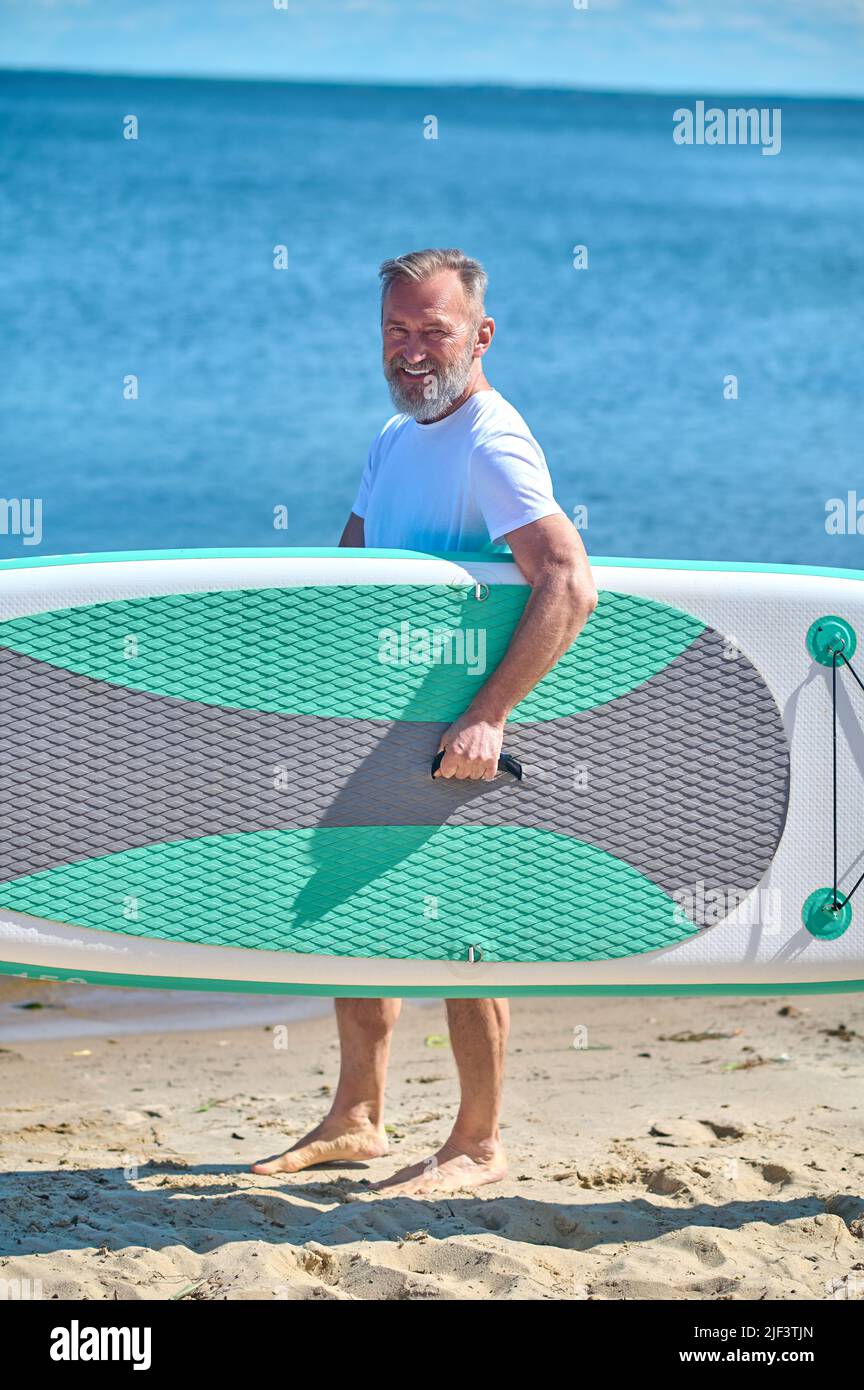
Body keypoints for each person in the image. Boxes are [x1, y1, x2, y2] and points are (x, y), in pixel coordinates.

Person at [253, 248, 597, 1195]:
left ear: (480, 336)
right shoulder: (394, 439)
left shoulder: (493, 440)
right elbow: (352, 571)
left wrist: (488, 716)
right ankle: (357, 1118)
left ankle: (479, 1143)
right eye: (395, 331)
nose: (410, 351)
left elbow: (569, 581)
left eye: (432, 331)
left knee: (462, 930)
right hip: (380, 723)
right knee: (352, 903)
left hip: (458, 735)